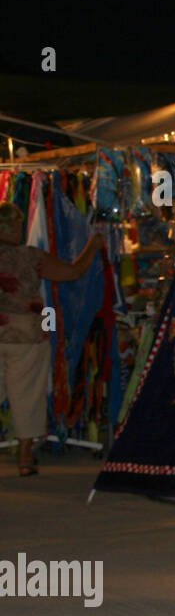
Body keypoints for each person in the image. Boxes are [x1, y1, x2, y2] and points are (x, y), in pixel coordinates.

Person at [0, 201, 103, 476]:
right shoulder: (30, 256)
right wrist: (92, 248)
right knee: (27, 395)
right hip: (26, 333)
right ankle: (24, 458)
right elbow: (72, 272)